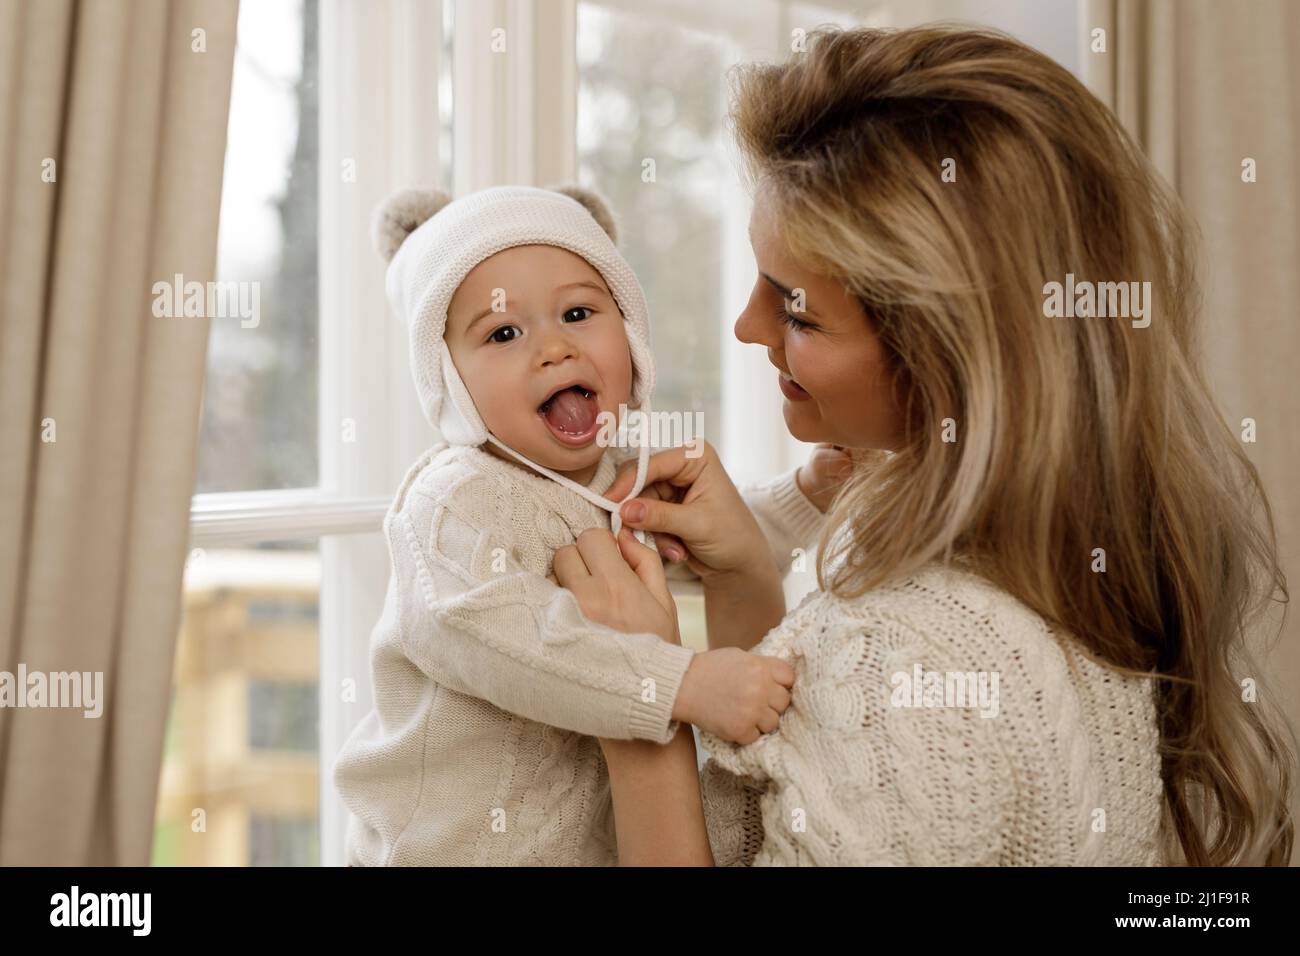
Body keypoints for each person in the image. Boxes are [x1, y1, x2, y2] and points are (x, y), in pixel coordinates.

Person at [555, 26, 1295, 866]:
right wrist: (749, 585)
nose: (747, 327)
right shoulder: (1076, 575)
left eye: (798, 311)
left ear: (947, 359)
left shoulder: (897, 667)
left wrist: (632, 695)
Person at [332, 184, 822, 865]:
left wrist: (803, 494)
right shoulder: (452, 501)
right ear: (449, 380)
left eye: (579, 312)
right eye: (504, 332)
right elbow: (506, 638)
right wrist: (683, 682)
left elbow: (707, 539)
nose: (554, 348)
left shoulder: (618, 472)